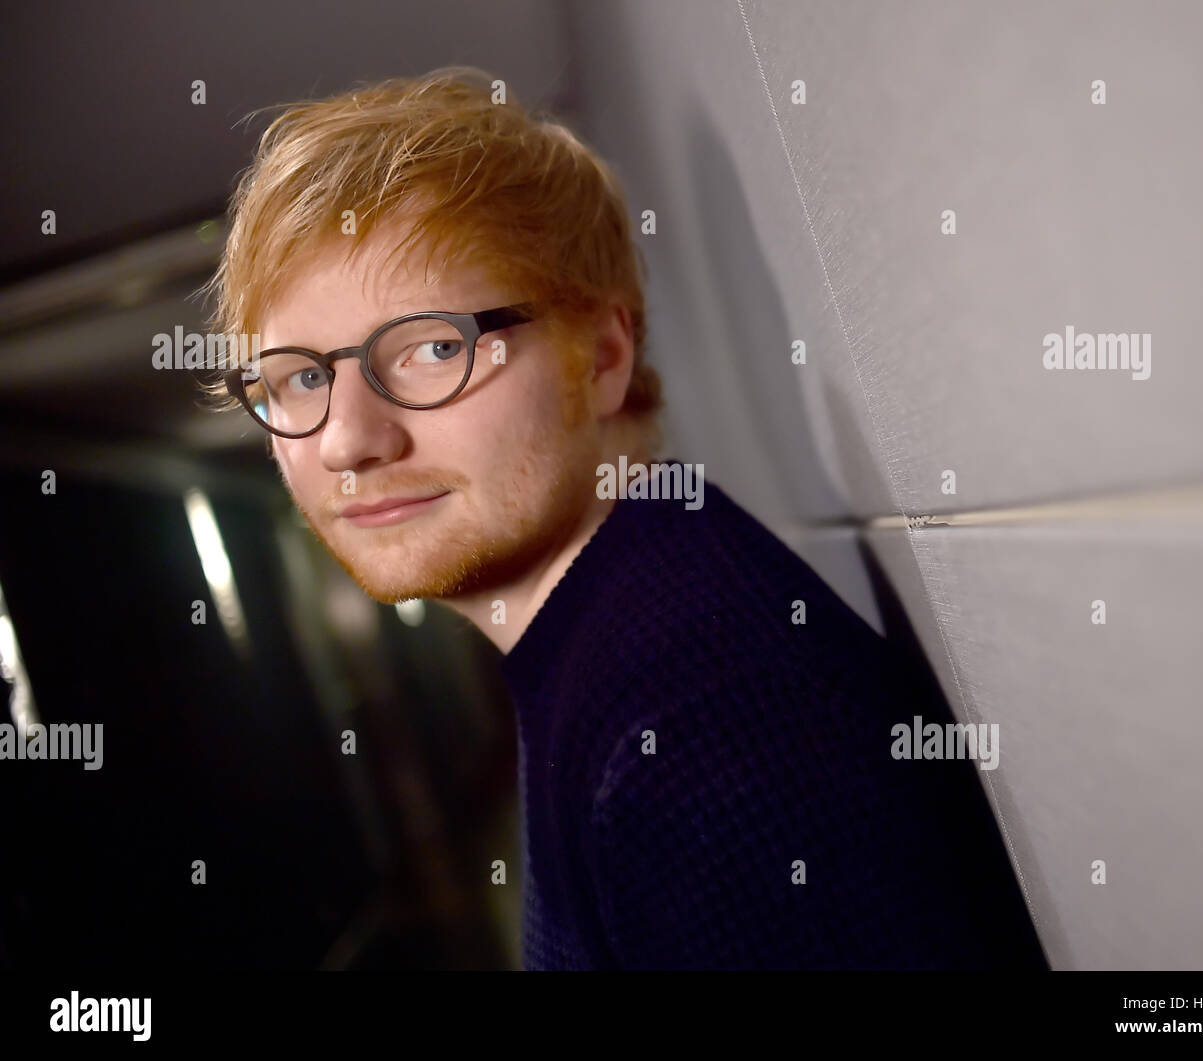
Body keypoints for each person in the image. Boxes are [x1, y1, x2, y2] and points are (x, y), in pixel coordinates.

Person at [202, 66, 1048, 970]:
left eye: (432, 348)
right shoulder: (614, 648)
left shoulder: (701, 724)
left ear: (601, 356)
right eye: (300, 378)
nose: (348, 441)